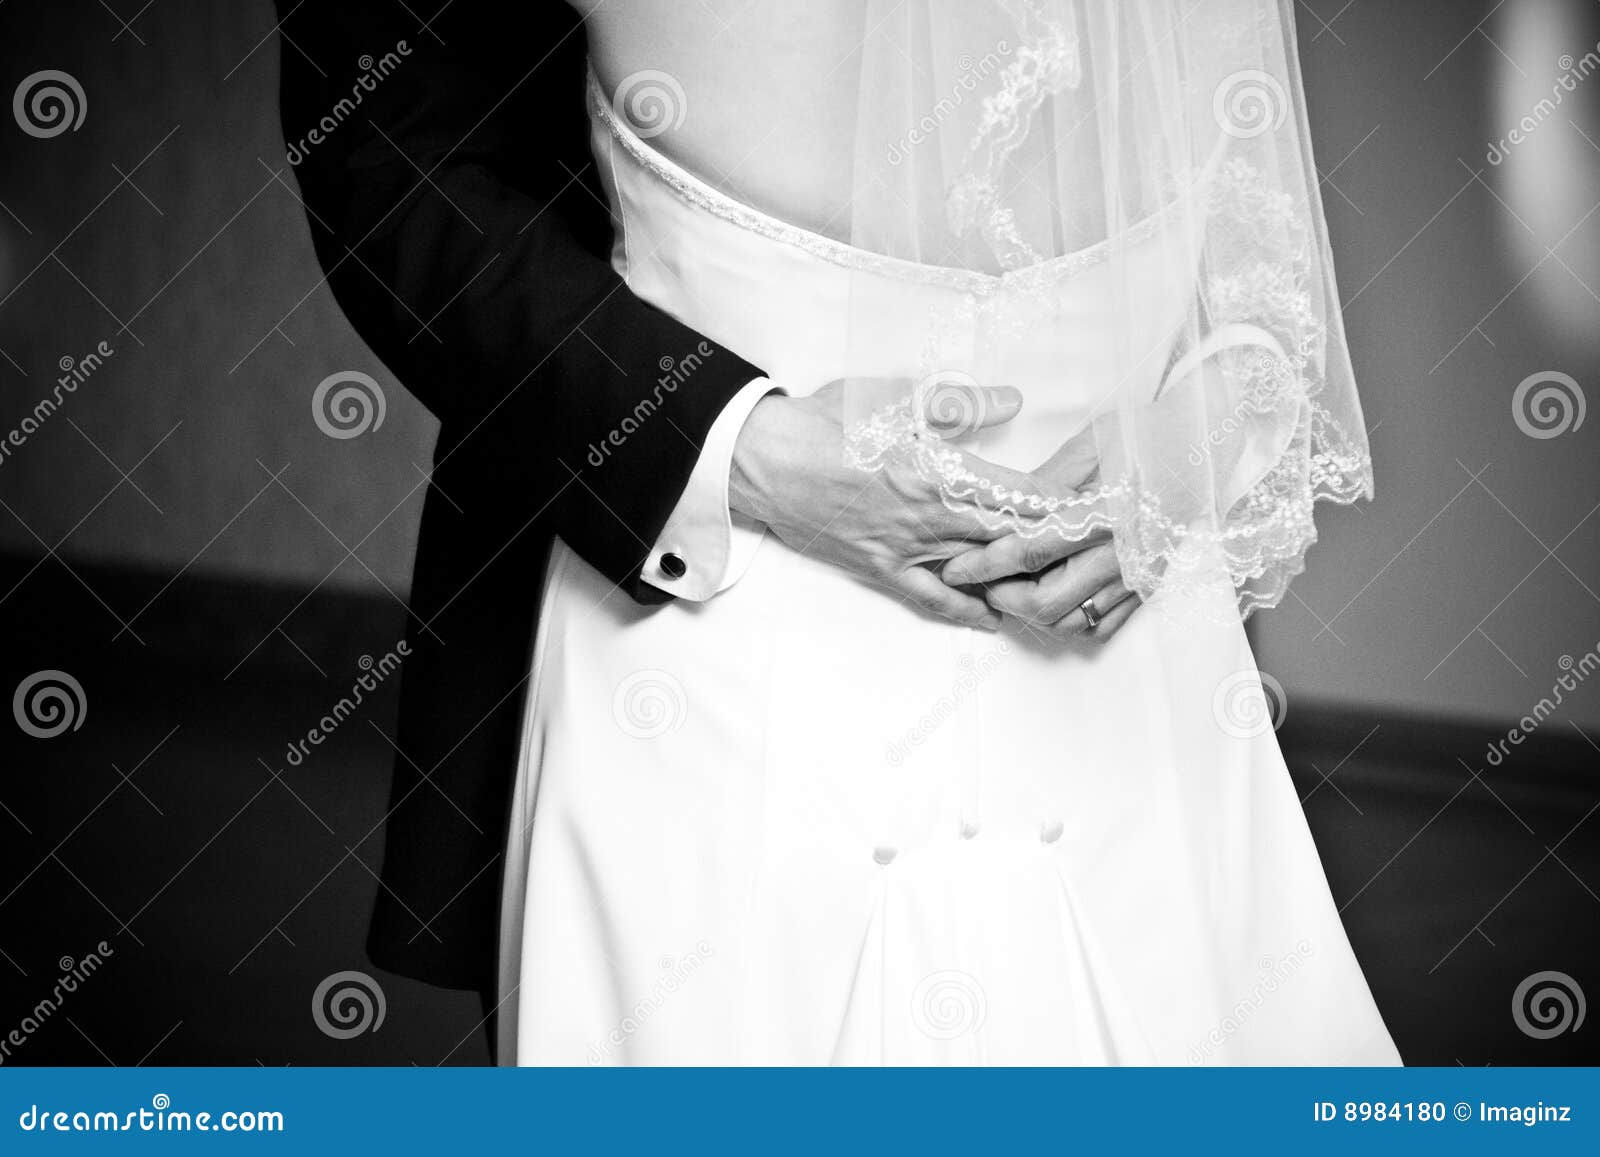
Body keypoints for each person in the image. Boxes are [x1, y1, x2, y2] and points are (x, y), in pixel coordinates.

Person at [281, 0, 1399, 1065]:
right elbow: (391, 156)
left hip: (1133, 651)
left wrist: (1204, 419)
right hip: (708, 610)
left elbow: (1254, 242)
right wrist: (738, 450)